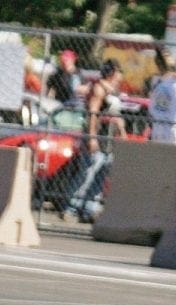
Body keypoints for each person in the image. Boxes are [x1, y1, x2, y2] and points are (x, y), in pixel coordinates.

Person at [64, 59, 126, 224]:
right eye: (118, 73)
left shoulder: (112, 91)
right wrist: (92, 139)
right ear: (112, 73)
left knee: (101, 176)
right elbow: (92, 114)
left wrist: (122, 133)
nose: (120, 77)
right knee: (87, 174)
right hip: (97, 138)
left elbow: (117, 116)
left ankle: (89, 209)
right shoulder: (98, 88)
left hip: (109, 141)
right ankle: (71, 208)